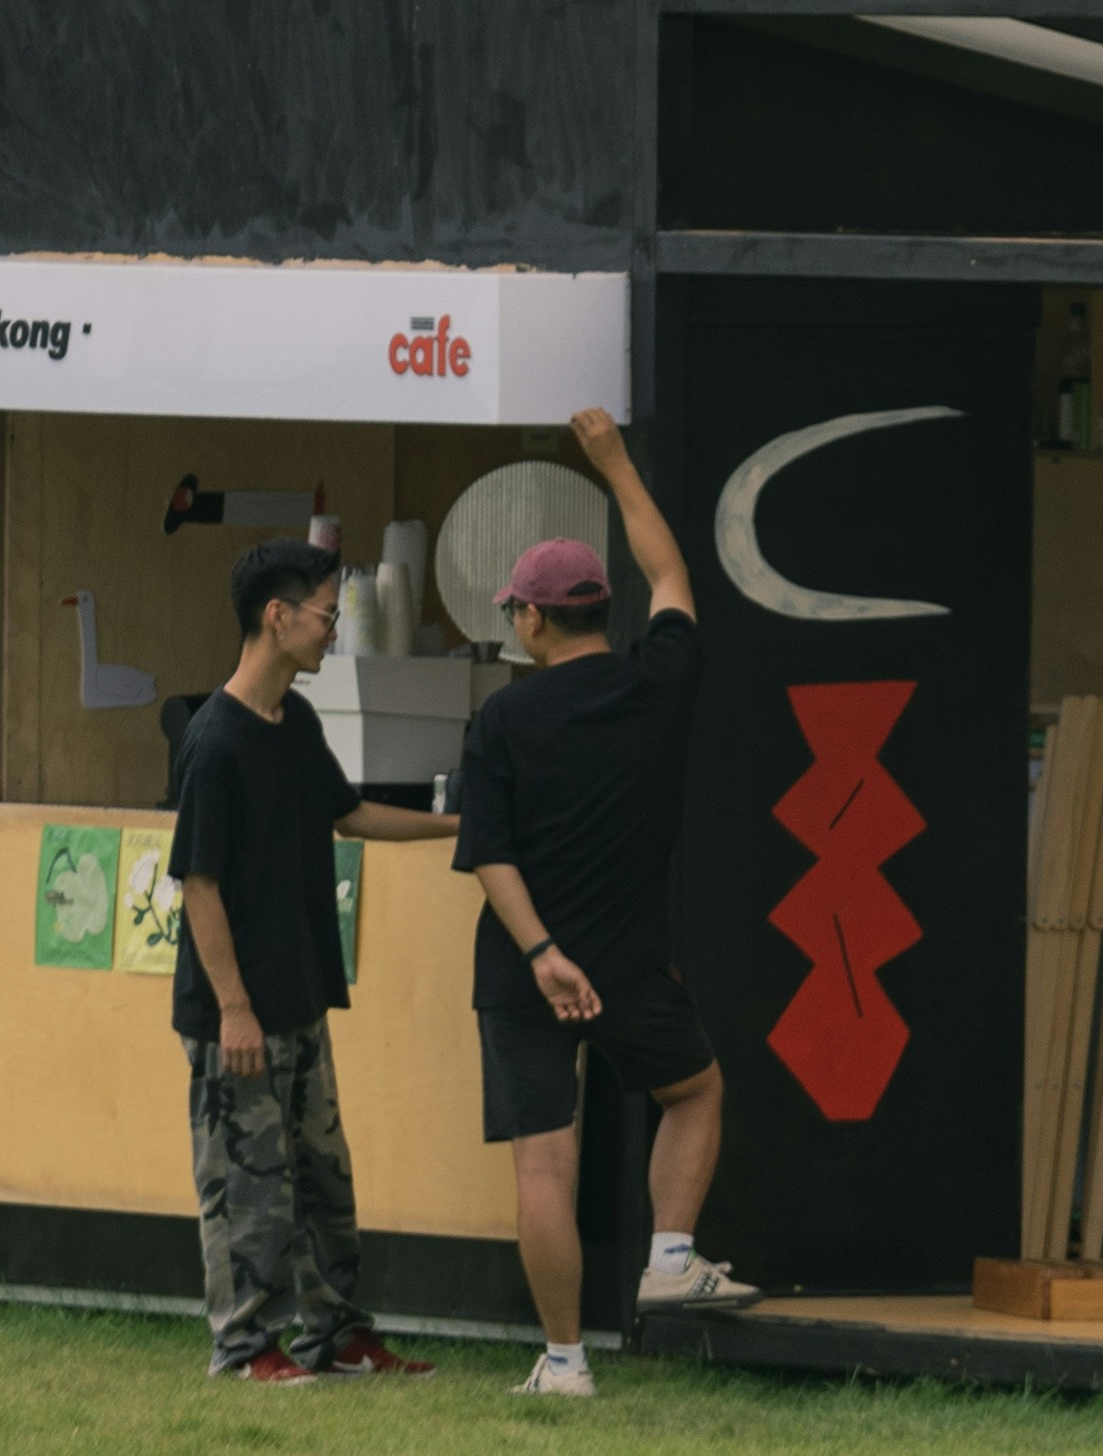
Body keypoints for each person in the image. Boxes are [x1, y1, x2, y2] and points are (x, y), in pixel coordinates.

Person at [451, 399, 750, 1400]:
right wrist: (613, 460)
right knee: (695, 1088)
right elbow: (673, 572)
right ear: (602, 609)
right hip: (628, 957)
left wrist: (540, 950)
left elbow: (490, 853)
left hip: (526, 967)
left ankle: (567, 1360)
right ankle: (671, 1250)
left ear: (533, 617)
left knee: (546, 1164)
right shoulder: (658, 680)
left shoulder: (500, 718)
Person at [168, 538, 444, 1387]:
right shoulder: (214, 741)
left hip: (302, 1001)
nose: (332, 631)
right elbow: (199, 886)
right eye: (325, 615)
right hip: (237, 1014)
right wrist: (236, 1009)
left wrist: (463, 830)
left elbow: (349, 814)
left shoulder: (298, 722)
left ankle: (336, 1334)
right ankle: (247, 1348)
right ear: (276, 617)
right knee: (248, 1186)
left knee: (323, 1176)